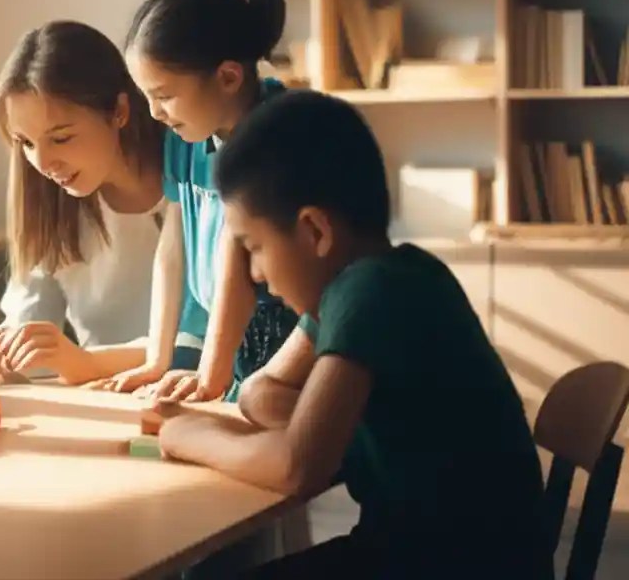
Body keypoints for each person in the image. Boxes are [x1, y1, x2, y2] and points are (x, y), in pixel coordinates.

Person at [157, 90, 550, 579]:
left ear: (315, 232)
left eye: (254, 247)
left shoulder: (371, 291)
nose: (254, 273)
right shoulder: (374, 281)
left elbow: (296, 468)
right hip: (412, 554)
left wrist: (187, 433)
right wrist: (320, 428)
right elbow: (260, 389)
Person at [0, 20, 207, 384]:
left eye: (61, 138)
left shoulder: (196, 183)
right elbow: (37, 341)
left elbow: (209, 345)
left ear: (119, 112)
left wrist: (85, 361)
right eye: (26, 143)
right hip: (100, 401)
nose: (43, 165)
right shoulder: (52, 205)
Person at [109, 0, 300, 399]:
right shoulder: (186, 135)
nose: (155, 113)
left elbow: (239, 269)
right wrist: (155, 360)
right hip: (226, 335)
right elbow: (172, 250)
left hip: (283, 337)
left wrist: (210, 378)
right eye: (147, 97)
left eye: (165, 96)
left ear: (228, 77)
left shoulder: (277, 131)